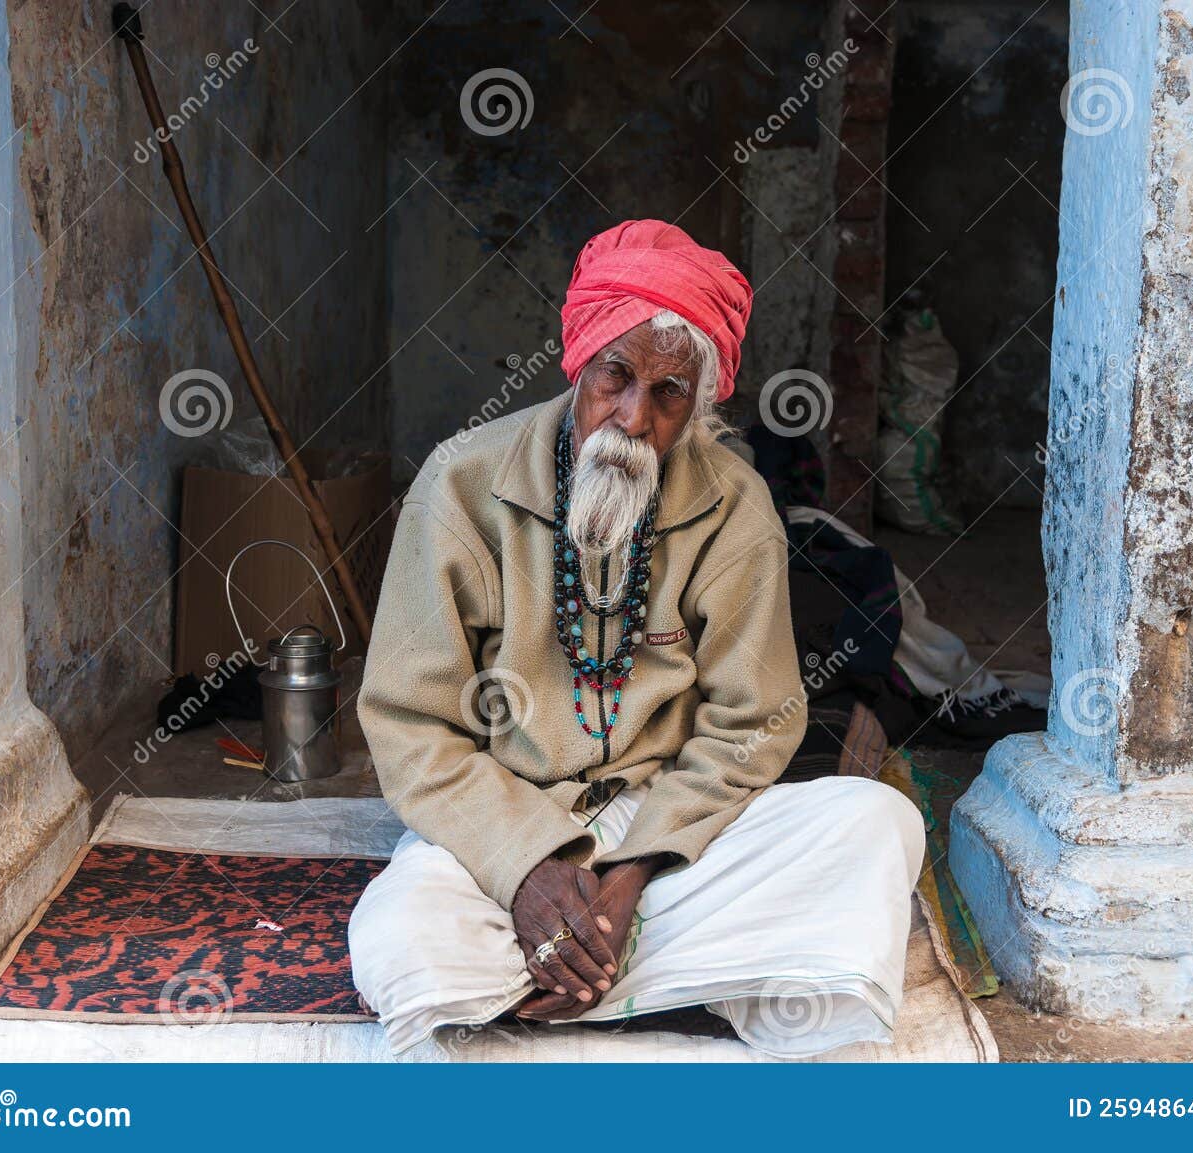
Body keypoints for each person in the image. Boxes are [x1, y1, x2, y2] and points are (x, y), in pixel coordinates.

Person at [349, 219, 925, 1057]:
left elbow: (752, 722)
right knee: (403, 941)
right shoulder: (460, 483)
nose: (634, 416)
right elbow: (411, 723)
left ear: (699, 402)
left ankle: (564, 977)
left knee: (878, 825)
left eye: (669, 393)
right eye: (616, 375)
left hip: (671, 836)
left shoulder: (736, 506)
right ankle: (673, 979)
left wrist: (628, 879)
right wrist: (527, 866)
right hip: (504, 818)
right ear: (578, 360)